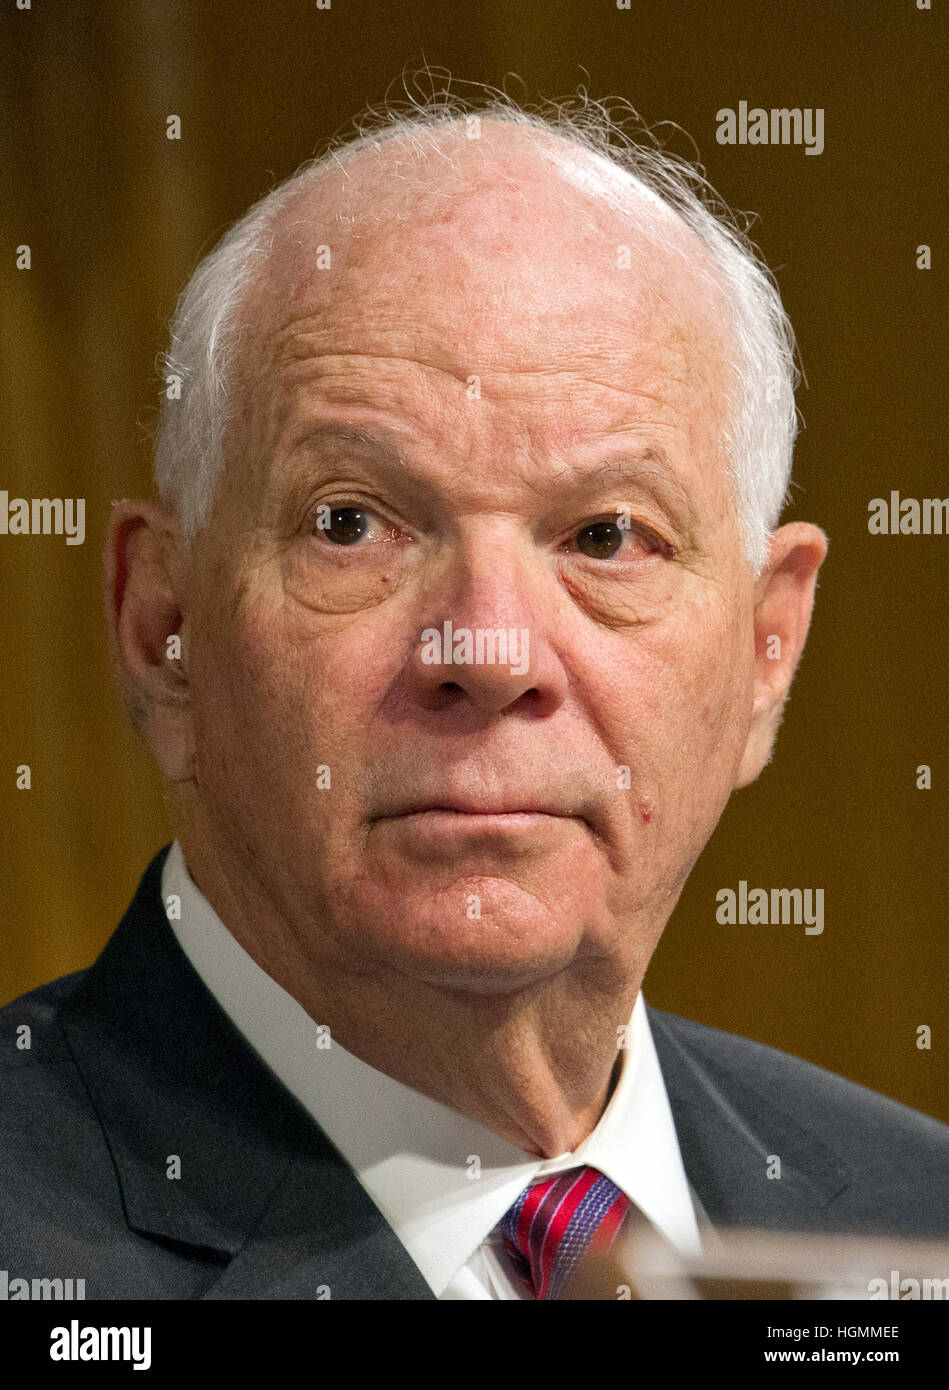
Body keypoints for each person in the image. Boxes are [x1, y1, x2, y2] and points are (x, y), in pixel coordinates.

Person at [2, 91, 947, 1302]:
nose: (488, 648)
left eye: (608, 534)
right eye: (352, 525)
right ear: (163, 629)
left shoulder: (912, 1224)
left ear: (767, 649)